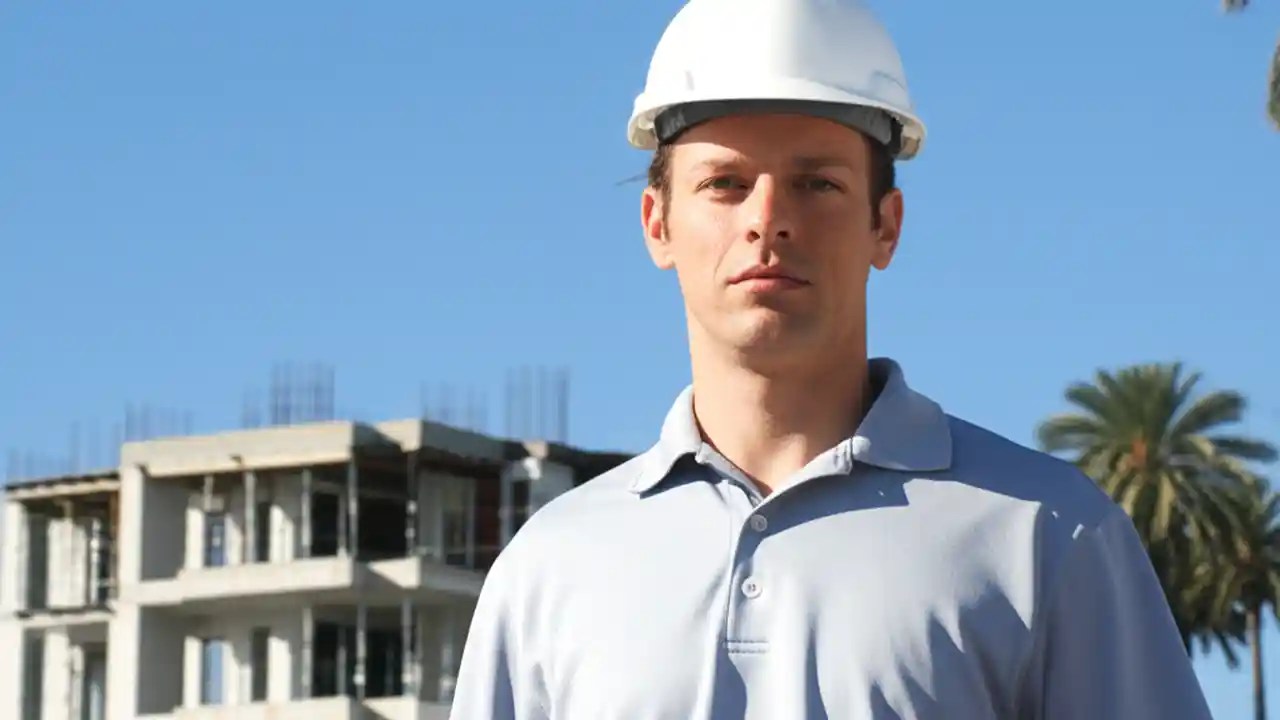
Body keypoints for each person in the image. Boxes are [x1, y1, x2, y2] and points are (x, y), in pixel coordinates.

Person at [449, 0, 1214, 717]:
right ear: (658, 224)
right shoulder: (548, 567)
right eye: (725, 184)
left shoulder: (1049, 536)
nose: (768, 220)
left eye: (817, 183)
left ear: (887, 225)